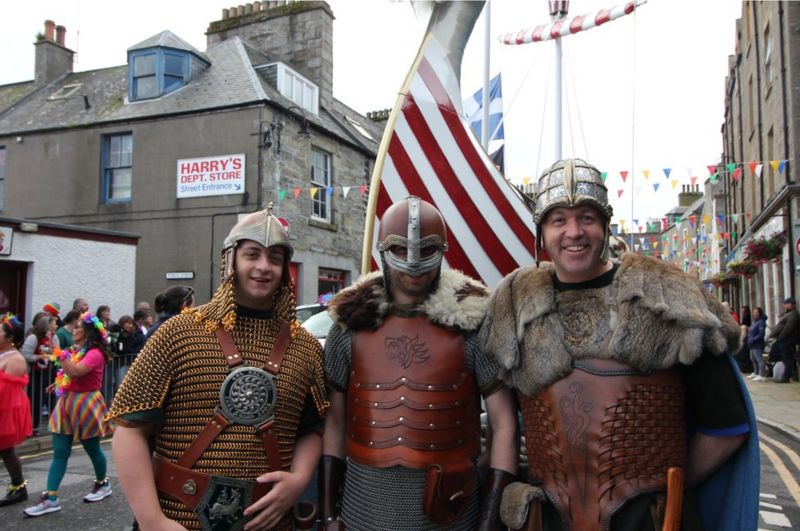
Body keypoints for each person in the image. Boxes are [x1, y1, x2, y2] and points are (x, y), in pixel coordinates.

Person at [480, 158, 760, 531]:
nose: (574, 232)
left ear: (605, 225)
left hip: (651, 522)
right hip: (546, 521)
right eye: (559, 219)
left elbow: (727, 426)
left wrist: (665, 487)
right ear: (542, 232)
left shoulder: (664, 296)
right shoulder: (513, 304)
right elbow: (499, 419)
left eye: (587, 218)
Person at [108, 207, 327, 530]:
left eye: (275, 258)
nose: (263, 266)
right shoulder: (178, 333)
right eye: (252, 254)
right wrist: (153, 520)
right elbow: (129, 430)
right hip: (178, 517)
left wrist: (299, 479)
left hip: (268, 521)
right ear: (231, 259)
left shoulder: (304, 346)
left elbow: (311, 429)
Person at [320, 196, 518, 531]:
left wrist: (490, 521)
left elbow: (504, 426)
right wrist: (328, 513)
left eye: (426, 250)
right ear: (384, 250)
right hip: (365, 507)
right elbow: (335, 425)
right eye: (400, 249)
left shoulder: (471, 324)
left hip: (450, 509)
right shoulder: (350, 326)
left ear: (441, 250)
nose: (413, 262)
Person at [24, 312, 114, 517]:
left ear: (89, 332)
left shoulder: (95, 353)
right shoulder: (77, 350)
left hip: (86, 403)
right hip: (67, 401)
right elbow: (68, 373)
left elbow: (75, 371)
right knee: (60, 451)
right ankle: (51, 498)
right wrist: (57, 383)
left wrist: (56, 350)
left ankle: (102, 483)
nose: (74, 329)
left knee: (92, 448)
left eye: (79, 327)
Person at [0, 314, 31, 507]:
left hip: (6, 408)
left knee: (6, 450)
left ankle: (19, 486)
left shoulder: (16, 359)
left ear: (10, 338)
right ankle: (19, 486)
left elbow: (4, 390)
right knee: (5, 450)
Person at [20, 314, 59, 435]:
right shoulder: (34, 337)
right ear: (47, 325)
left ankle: (55, 425)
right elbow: (25, 354)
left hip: (50, 370)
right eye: (54, 323)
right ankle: (32, 428)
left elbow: (58, 353)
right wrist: (40, 356)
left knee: (51, 398)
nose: (56, 325)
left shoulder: (54, 337)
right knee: (35, 400)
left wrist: (53, 350)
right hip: (36, 373)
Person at [767, 297, 799, 383]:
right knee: (786, 358)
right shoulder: (788, 313)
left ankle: (786, 377)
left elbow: (789, 328)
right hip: (784, 339)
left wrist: (781, 337)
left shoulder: (793, 314)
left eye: (786, 304)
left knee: (787, 358)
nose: (784, 305)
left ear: (791, 304)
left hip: (787, 340)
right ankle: (787, 375)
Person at [113, 315, 145, 391]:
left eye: (131, 323)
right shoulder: (118, 334)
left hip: (133, 363)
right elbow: (118, 348)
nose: (129, 325)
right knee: (120, 385)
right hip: (121, 363)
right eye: (127, 323)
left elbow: (130, 348)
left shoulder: (135, 335)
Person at [747, 307, 768, 381]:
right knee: (753, 359)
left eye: (756, 312)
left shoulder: (761, 322)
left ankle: (762, 375)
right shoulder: (754, 321)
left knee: (759, 359)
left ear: (760, 313)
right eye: (754, 312)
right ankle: (756, 372)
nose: (755, 313)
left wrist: (753, 339)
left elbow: (761, 334)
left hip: (757, 344)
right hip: (751, 344)